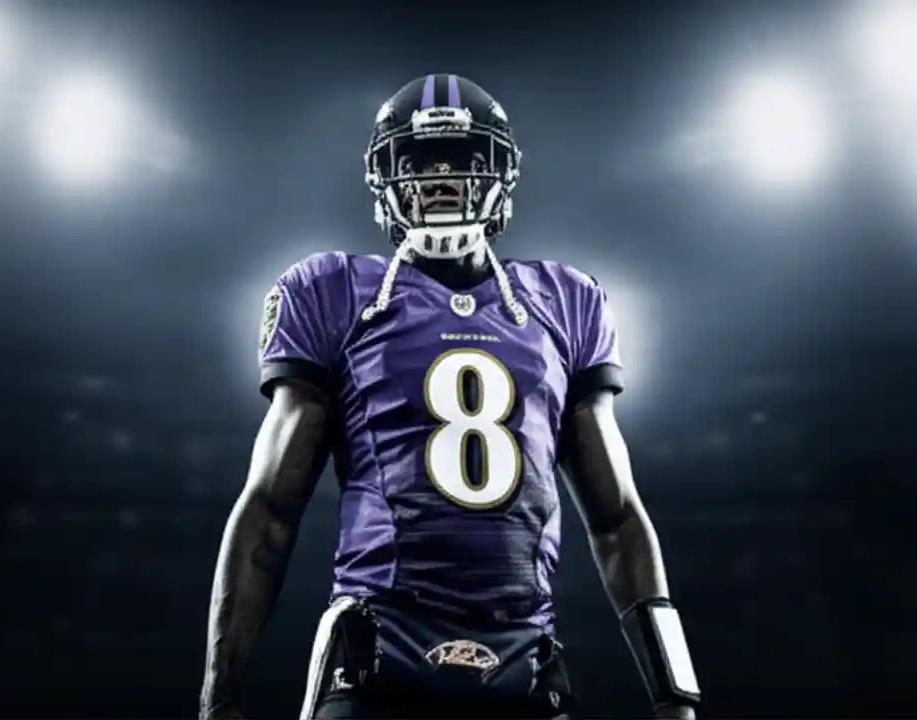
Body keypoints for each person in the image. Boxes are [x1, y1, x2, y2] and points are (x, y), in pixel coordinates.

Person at [199, 74, 700, 720]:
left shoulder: (565, 302)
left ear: (500, 174)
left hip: (526, 662)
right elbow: (268, 511)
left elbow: (619, 521)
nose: (439, 176)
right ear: (385, 179)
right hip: (376, 654)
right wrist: (218, 699)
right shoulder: (335, 292)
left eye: (462, 160)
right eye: (417, 162)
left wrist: (676, 697)